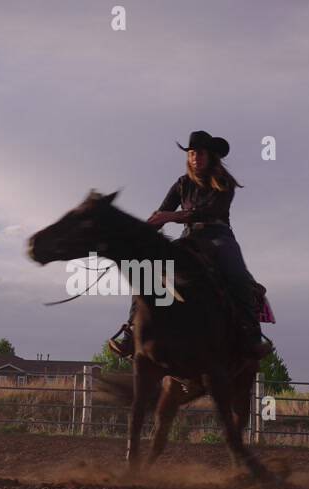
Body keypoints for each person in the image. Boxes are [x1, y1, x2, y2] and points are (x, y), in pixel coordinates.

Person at [109, 130, 273, 359]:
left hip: (219, 236)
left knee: (236, 274)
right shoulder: (182, 184)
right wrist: (138, 235)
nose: (195, 157)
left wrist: (171, 217)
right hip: (189, 238)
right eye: (192, 153)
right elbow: (162, 212)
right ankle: (133, 329)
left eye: (200, 153)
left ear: (211, 156)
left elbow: (211, 212)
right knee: (146, 269)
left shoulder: (224, 182)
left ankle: (252, 335)